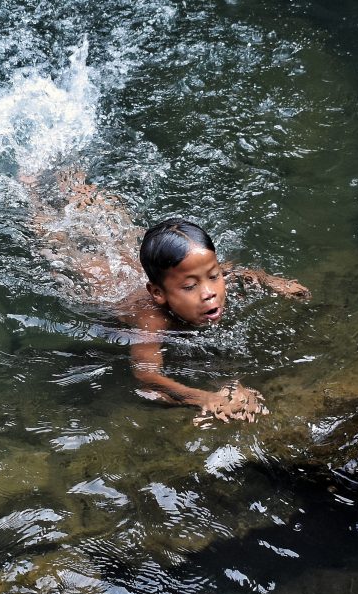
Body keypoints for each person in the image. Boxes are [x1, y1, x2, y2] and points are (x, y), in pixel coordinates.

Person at [21, 169, 310, 424]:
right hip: (102, 282)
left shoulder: (211, 279)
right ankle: (31, 190)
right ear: (158, 294)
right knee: (56, 242)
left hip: (136, 268)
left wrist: (273, 282)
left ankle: (77, 178)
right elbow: (148, 378)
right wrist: (204, 398)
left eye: (213, 276)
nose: (209, 292)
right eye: (190, 286)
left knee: (116, 229)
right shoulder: (151, 321)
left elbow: (239, 272)